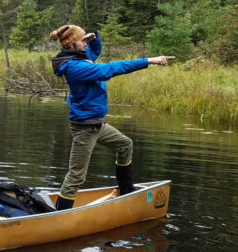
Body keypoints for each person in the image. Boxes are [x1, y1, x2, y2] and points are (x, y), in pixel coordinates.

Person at [49, 24, 174, 210]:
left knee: (125, 145)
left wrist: (94, 38)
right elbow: (110, 70)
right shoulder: (75, 67)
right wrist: (149, 60)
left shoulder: (80, 57)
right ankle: (60, 214)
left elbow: (95, 51)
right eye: (82, 40)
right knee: (77, 175)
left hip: (97, 124)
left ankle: (126, 189)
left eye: (85, 39)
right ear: (71, 45)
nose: (85, 43)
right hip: (84, 128)